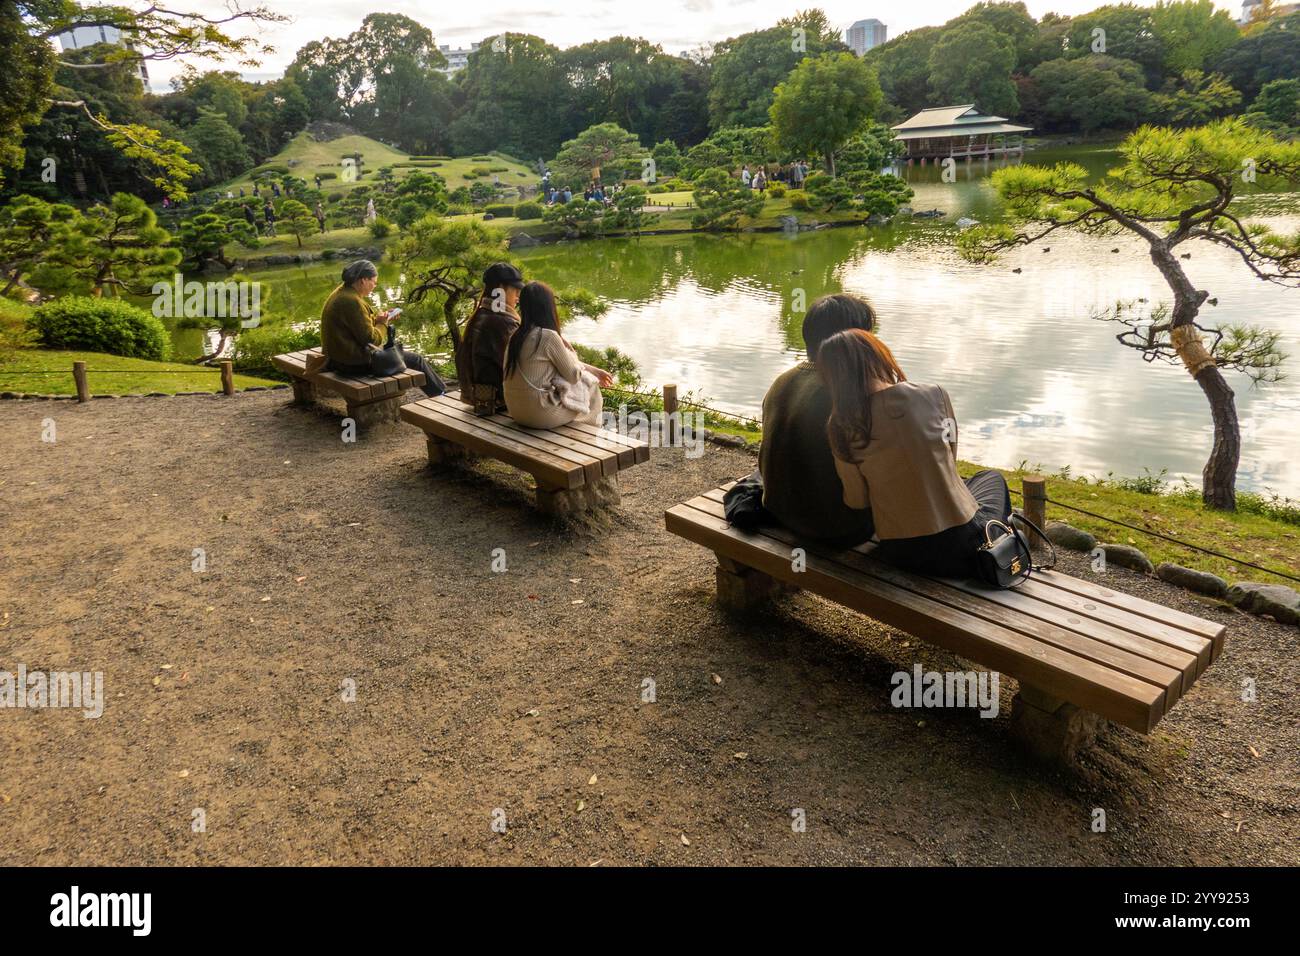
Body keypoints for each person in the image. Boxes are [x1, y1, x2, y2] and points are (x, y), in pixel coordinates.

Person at [819, 328, 1013, 579]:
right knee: (991, 478)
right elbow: (950, 459)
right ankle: (1001, 548)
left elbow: (858, 500)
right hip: (962, 545)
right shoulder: (935, 394)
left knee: (974, 484)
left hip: (902, 552)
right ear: (878, 355)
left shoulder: (841, 426)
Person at [758, 294, 877, 547]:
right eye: (867, 334)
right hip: (837, 527)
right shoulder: (849, 391)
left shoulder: (782, 380)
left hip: (778, 509)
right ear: (852, 340)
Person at [319, 260, 445, 398]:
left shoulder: (341, 293)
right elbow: (372, 339)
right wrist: (383, 324)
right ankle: (441, 395)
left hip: (338, 359)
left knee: (408, 357)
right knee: (416, 360)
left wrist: (377, 319)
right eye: (374, 281)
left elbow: (353, 324)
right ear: (363, 280)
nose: (375, 285)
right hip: (351, 364)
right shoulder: (352, 301)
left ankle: (439, 393)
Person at [503, 282, 612, 428]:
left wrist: (595, 370)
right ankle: (588, 433)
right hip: (538, 414)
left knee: (586, 380)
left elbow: (561, 363)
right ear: (548, 306)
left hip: (516, 411)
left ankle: (577, 426)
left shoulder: (516, 336)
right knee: (591, 385)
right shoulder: (547, 336)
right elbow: (574, 376)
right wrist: (570, 349)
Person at [455, 262, 525, 414]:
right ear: (501, 288)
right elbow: (522, 367)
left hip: (481, 398)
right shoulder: (501, 322)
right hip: (499, 402)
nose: (518, 296)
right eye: (516, 290)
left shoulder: (482, 314)